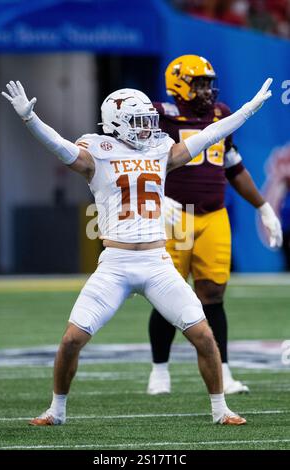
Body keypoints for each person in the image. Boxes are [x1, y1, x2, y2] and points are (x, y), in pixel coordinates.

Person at [2, 78, 272, 426]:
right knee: (71, 340)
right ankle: (57, 410)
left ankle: (221, 409)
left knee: (203, 335)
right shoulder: (98, 151)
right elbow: (60, 148)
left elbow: (210, 134)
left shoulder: (159, 149)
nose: (148, 128)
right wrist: (30, 119)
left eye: (148, 119)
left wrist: (247, 110)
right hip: (115, 263)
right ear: (115, 122)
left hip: (156, 261)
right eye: (138, 121)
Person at [147, 55, 283, 395]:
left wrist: (263, 206)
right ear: (178, 82)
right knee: (167, 294)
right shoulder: (158, 115)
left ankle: (222, 372)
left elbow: (233, 166)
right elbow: (132, 160)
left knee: (213, 295)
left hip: (213, 215)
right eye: (199, 83)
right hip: (174, 216)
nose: (206, 90)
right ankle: (159, 370)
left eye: (208, 83)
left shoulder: (220, 113)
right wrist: (153, 198)